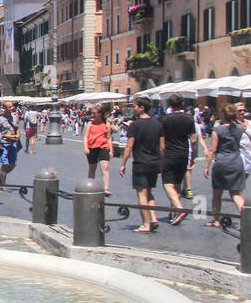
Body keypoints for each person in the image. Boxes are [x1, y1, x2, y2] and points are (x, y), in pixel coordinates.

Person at [120, 98, 163, 233]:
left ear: (142, 108)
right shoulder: (158, 124)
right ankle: (154, 218)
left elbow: (129, 146)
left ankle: (145, 224)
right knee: (149, 192)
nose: (133, 109)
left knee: (142, 194)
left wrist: (123, 163)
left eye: (135, 106)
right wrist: (161, 164)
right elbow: (162, 147)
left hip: (141, 162)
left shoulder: (135, 125)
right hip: (154, 162)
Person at [203, 105, 247, 227]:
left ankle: (216, 220)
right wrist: (237, 119)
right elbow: (244, 126)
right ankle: (246, 219)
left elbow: (213, 150)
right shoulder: (239, 128)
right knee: (236, 194)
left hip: (222, 163)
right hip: (236, 161)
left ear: (223, 115)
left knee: (217, 194)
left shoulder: (218, 130)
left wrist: (207, 166)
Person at [159, 95, 196, 225]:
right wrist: (194, 157)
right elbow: (194, 140)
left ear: (170, 105)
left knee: (167, 184)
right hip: (184, 154)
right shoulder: (189, 118)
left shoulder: (164, 120)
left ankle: (179, 209)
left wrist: (161, 159)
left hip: (170, 154)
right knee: (177, 184)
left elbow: (162, 144)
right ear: (182, 104)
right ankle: (173, 212)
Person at [83, 103, 113, 196]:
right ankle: (91, 186)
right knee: (92, 168)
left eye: (94, 113)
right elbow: (85, 137)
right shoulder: (90, 124)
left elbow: (109, 138)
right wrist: (86, 147)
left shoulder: (106, 124)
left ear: (100, 114)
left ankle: (106, 188)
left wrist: (111, 150)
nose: (92, 115)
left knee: (105, 167)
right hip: (92, 147)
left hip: (103, 147)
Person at [0, 101, 20, 193]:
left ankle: (1, 175)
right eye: (9, 107)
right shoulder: (0, 120)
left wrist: (18, 135)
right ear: (5, 108)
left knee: (13, 164)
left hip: (13, 144)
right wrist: (7, 136)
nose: (11, 108)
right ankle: (3, 186)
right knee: (5, 164)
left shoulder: (14, 117)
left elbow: (17, 128)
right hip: (4, 144)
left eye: (12, 107)